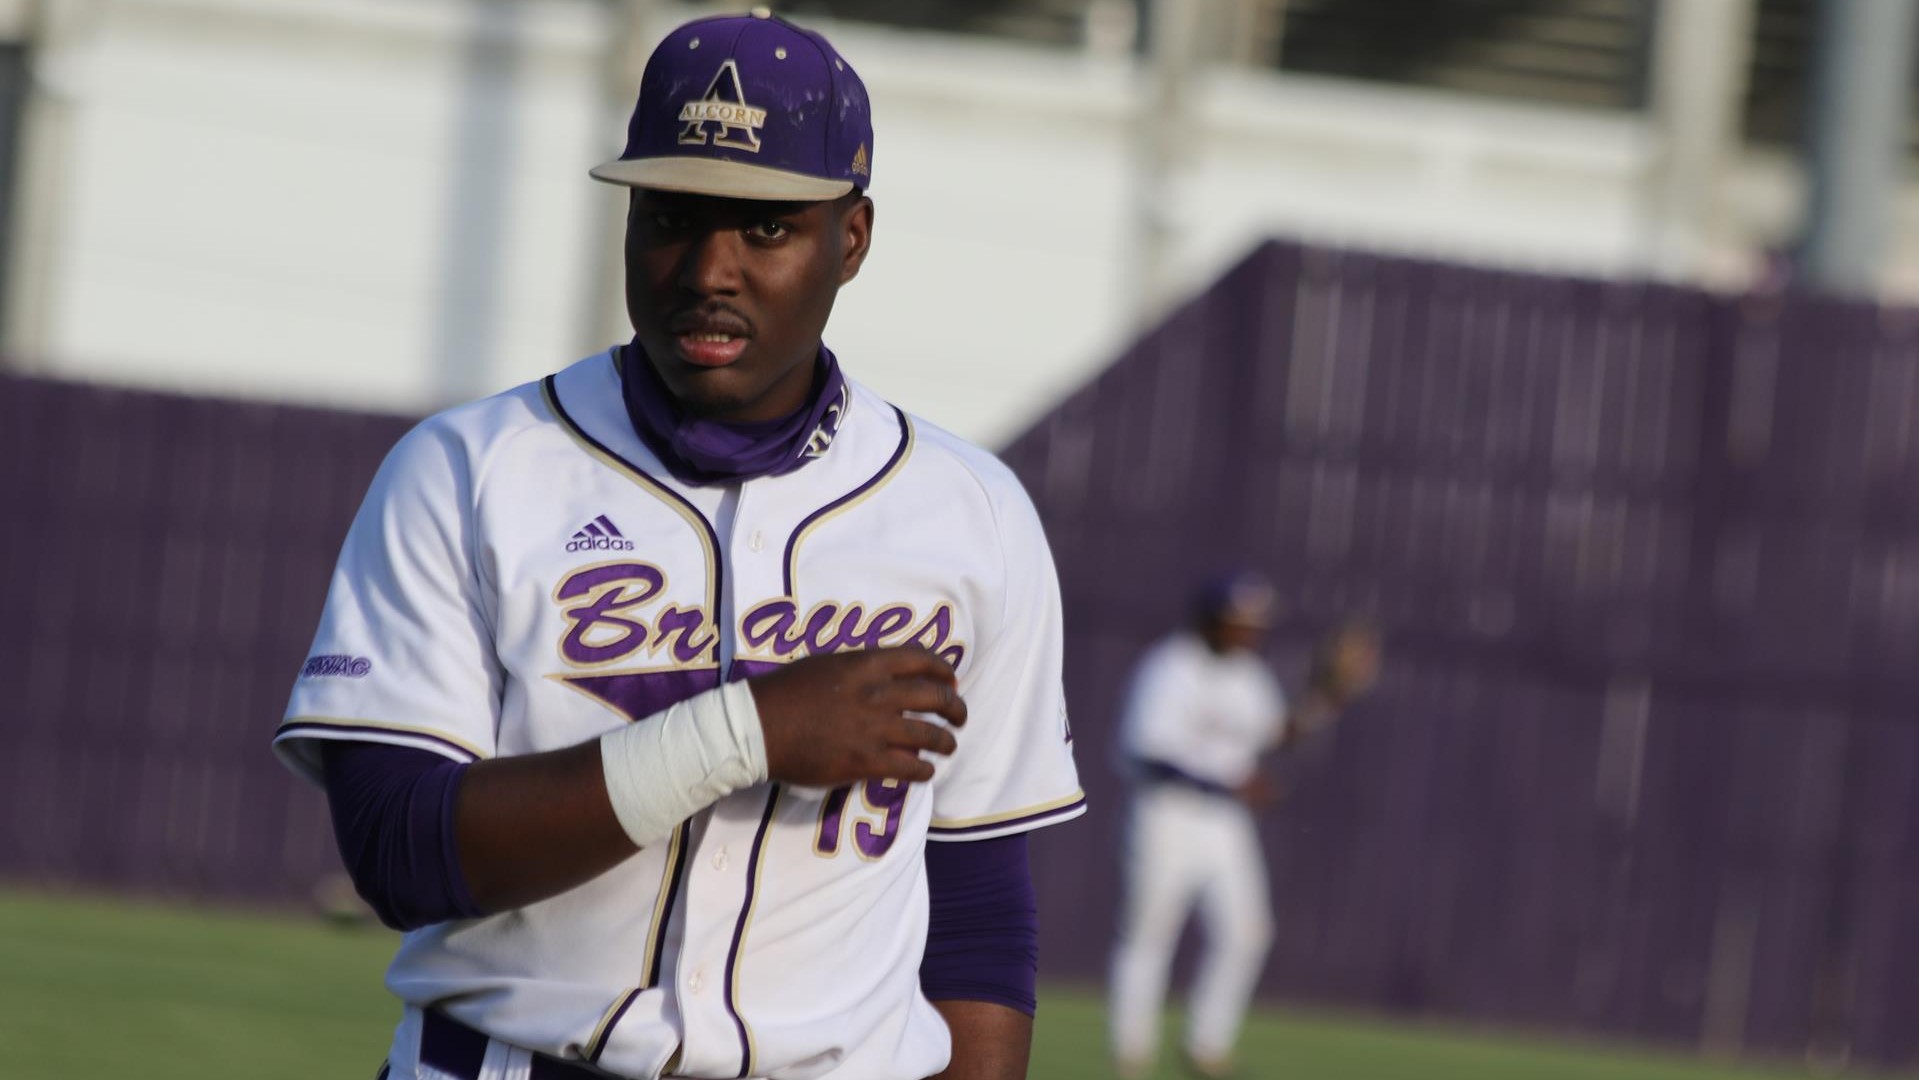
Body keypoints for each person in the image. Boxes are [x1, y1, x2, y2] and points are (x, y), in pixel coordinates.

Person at [271, 12, 1085, 1080]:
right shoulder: (473, 468)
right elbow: (399, 851)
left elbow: (977, 910)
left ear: (850, 239)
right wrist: (748, 731)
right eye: (671, 217)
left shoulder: (967, 514)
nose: (709, 268)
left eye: (763, 228)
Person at [1106, 573, 1377, 1079]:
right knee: (1148, 936)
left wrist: (1327, 695)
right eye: (1238, 623)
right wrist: (1227, 787)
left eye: (1254, 625)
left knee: (1247, 932)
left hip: (1223, 826)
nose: (1248, 634)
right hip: (1165, 815)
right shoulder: (1170, 668)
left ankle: (1206, 1044)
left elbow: (1278, 734)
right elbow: (1148, 755)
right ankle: (1132, 1056)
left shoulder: (1248, 675)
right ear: (1210, 620)